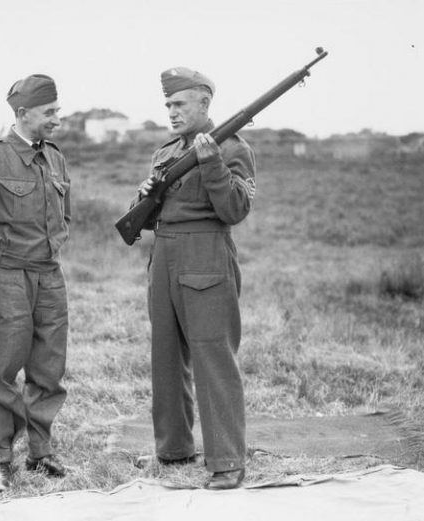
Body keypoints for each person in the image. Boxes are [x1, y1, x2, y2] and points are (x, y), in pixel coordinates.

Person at [135, 67, 256, 489]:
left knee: (212, 358)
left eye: (179, 104)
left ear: (204, 104)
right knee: (165, 357)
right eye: (168, 104)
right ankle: (173, 449)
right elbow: (150, 219)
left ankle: (226, 461)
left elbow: (236, 209)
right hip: (164, 254)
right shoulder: (166, 151)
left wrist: (213, 164)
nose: (171, 111)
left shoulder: (233, 148)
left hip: (206, 253)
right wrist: (146, 194)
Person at [0, 74, 71, 492]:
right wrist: (0, 257)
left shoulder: (56, 158)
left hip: (49, 274)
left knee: (49, 367)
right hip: (6, 274)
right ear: (22, 114)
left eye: (57, 109)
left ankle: (40, 452)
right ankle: (1, 456)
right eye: (49, 112)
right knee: (3, 368)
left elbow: (64, 215)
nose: (57, 117)